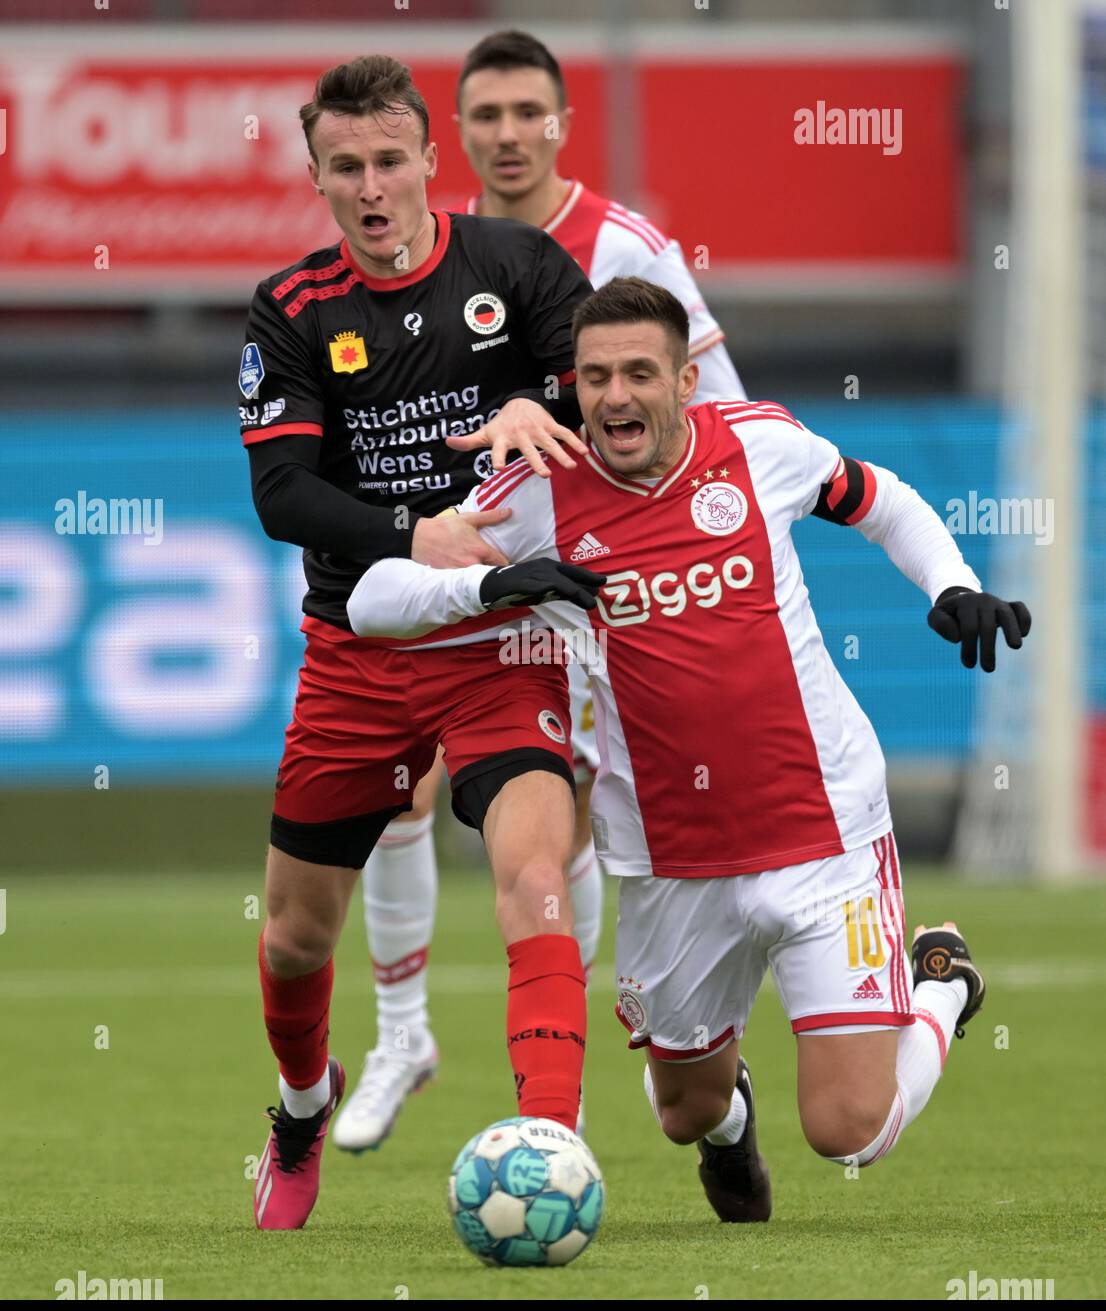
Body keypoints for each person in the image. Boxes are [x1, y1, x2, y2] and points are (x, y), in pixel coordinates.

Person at [347, 277, 1030, 1221]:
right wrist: (492, 585)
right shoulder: (536, 492)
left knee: (849, 1131)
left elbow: (881, 499)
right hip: (673, 859)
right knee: (685, 1112)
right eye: (594, 378)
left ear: (686, 376)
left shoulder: (758, 446)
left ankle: (941, 987)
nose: (616, 397)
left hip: (823, 831)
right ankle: (729, 1128)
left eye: (638, 373)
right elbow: (370, 599)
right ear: (572, 387)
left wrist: (949, 584)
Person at [341, 28, 747, 1153]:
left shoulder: (621, 243)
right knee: (395, 782)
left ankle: (646, 1036)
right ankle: (401, 1032)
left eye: (529, 113)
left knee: (562, 807)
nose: (508, 135)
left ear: (561, 124)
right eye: (486, 117)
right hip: (461, 564)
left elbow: (714, 413)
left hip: (593, 579)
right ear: (450, 136)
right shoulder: (424, 247)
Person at [240, 53, 605, 1230]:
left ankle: (551, 1142)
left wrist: (541, 407)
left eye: (390, 160)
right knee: (295, 935)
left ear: (427, 163)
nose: (372, 186)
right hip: (358, 650)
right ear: (317, 180)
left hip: (503, 642)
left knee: (534, 878)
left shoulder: (519, 268)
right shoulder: (291, 310)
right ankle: (301, 1107)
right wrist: (414, 528)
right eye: (344, 168)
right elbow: (282, 490)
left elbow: (614, 411)